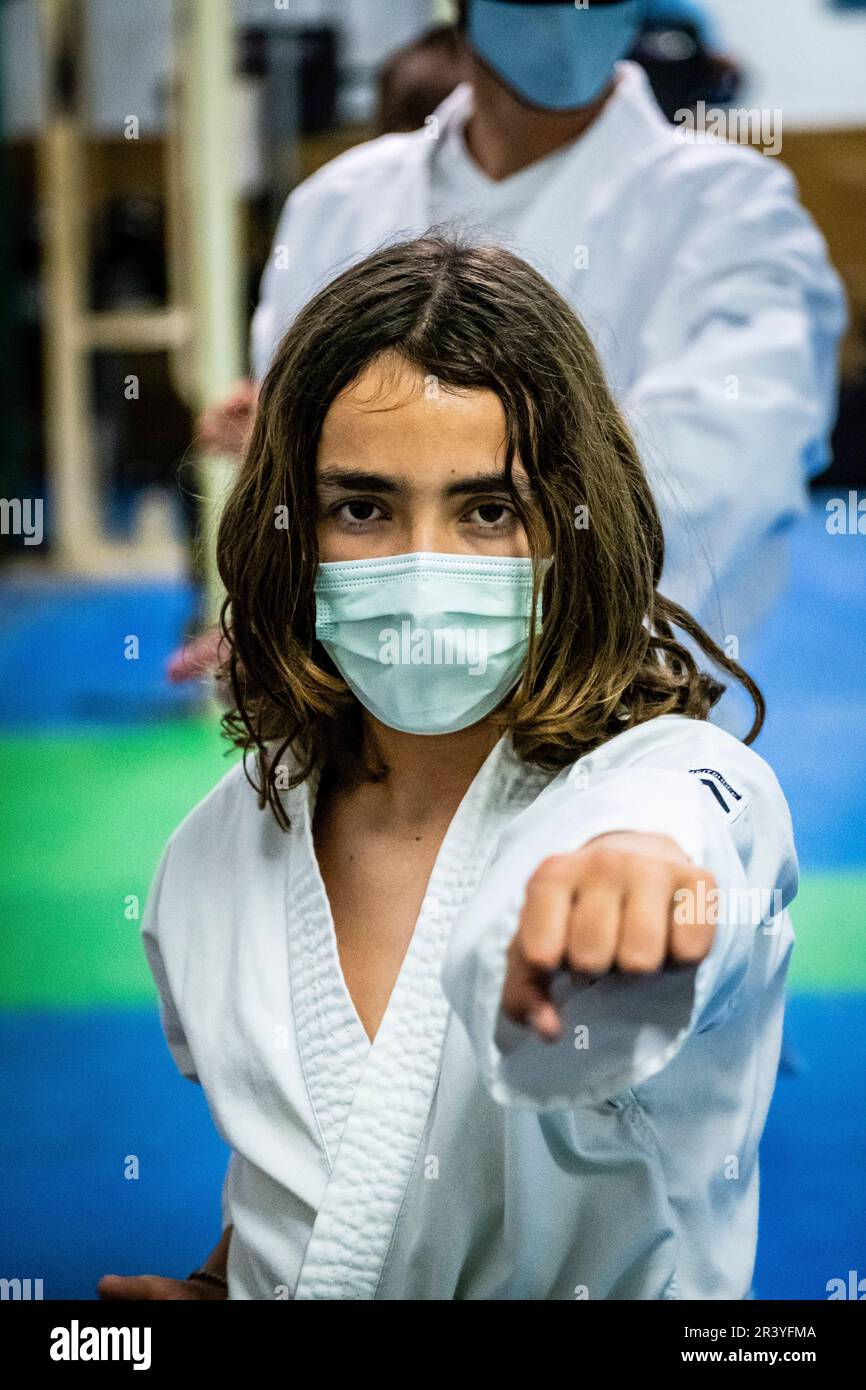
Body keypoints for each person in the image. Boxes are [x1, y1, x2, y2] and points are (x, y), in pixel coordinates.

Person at [102, 237, 796, 1302]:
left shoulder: (681, 786)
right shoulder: (212, 851)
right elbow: (329, 1189)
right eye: (362, 508)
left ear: (571, 522)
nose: (423, 565)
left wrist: (632, 876)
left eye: (487, 510)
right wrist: (217, 1286)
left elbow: (679, 834)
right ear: (291, 525)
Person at [179, 0, 844, 690]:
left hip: (615, 699)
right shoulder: (340, 202)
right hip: (356, 705)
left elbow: (731, 463)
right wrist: (275, 599)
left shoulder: (734, 206)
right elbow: (303, 485)